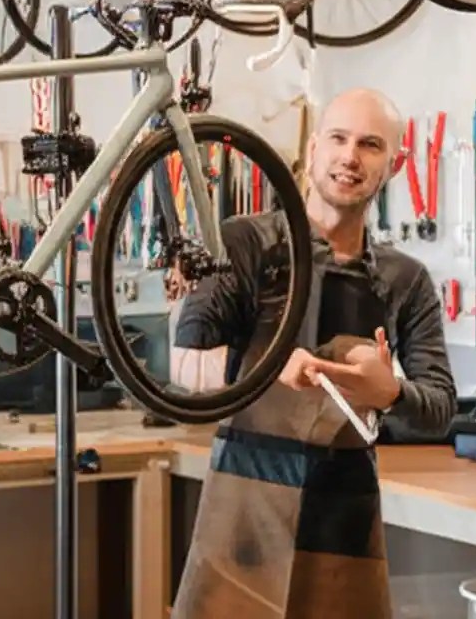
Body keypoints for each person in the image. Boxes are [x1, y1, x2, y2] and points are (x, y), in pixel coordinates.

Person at [169, 88, 457, 619]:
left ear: (392, 166)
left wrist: (389, 392)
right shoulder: (244, 245)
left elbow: (439, 406)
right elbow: (182, 366)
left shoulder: (405, 281)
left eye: (370, 145)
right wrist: (272, 369)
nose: (351, 157)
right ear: (314, 147)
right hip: (244, 511)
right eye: (340, 139)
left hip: (341, 514)